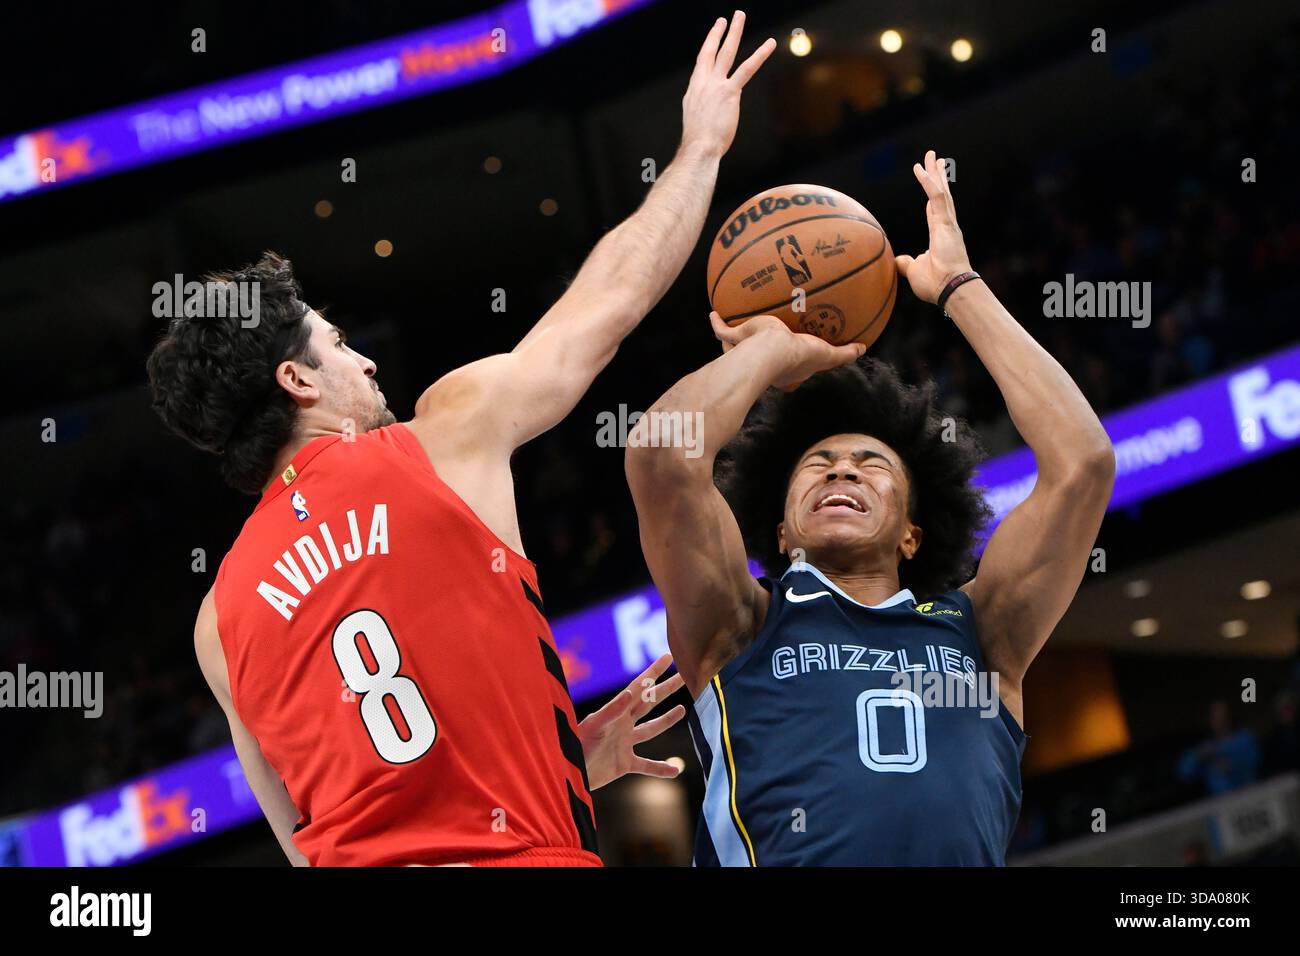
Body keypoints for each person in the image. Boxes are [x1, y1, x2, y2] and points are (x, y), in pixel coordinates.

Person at [144, 13, 775, 866]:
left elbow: (309, 843)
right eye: (336, 345)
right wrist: (699, 150)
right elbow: (610, 303)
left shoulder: (216, 622)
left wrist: (549, 768)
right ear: (296, 383)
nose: (367, 363)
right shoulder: (438, 439)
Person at [625, 151, 1116, 865]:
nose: (842, 469)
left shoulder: (982, 635)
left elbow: (1083, 465)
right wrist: (767, 350)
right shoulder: (740, 626)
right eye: (816, 465)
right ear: (784, 528)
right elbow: (662, 457)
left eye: (871, 464)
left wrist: (959, 288)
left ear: (913, 533)